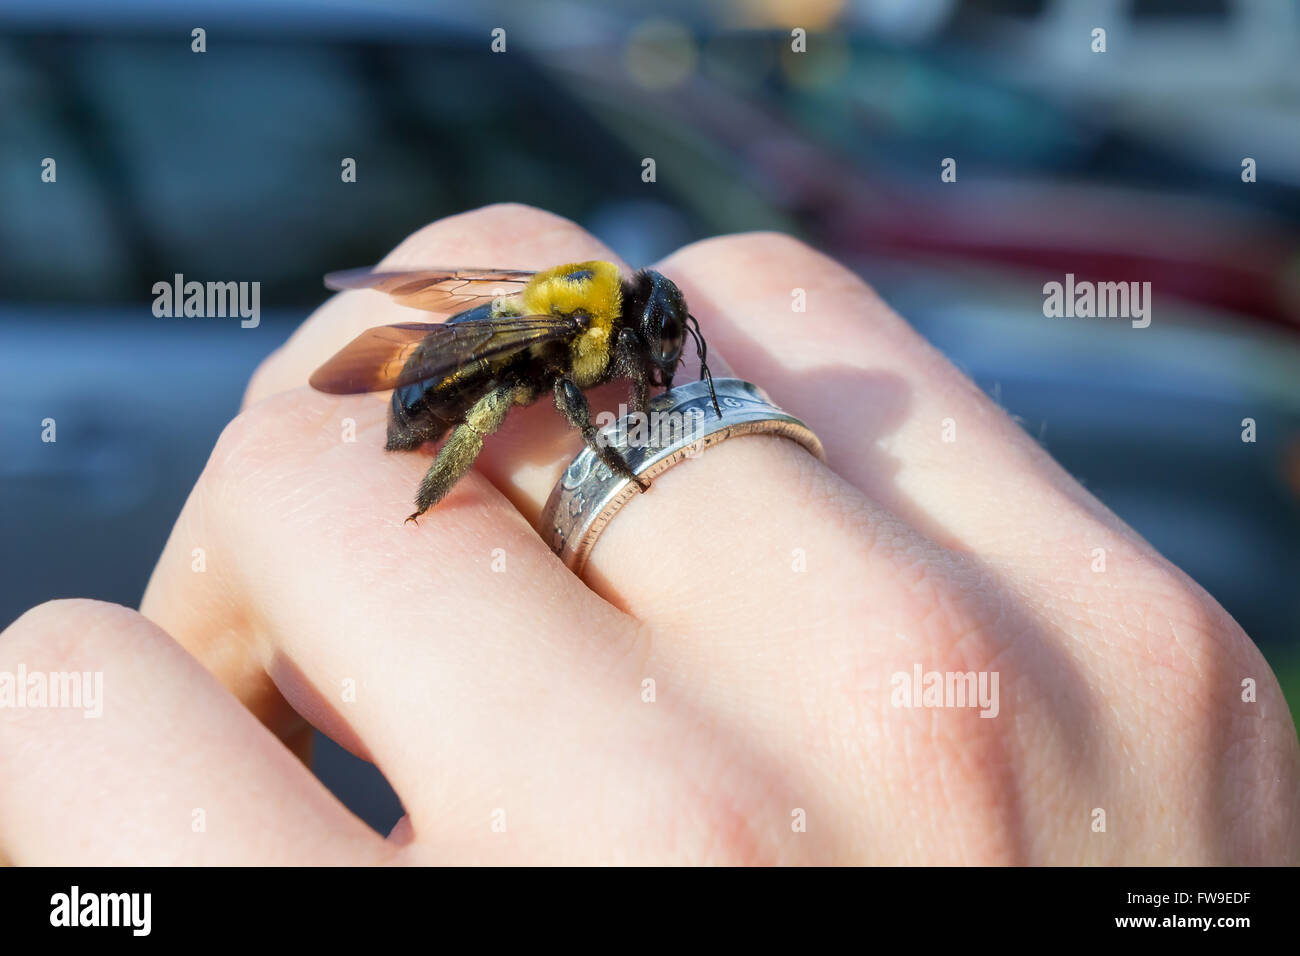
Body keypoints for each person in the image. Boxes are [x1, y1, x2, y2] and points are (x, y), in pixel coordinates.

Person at [1, 204, 1296, 865]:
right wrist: (575, 458)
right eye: (654, 346)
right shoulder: (572, 329)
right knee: (505, 398)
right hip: (447, 377)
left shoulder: (606, 304)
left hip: (443, 341)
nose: (659, 355)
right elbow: (517, 375)